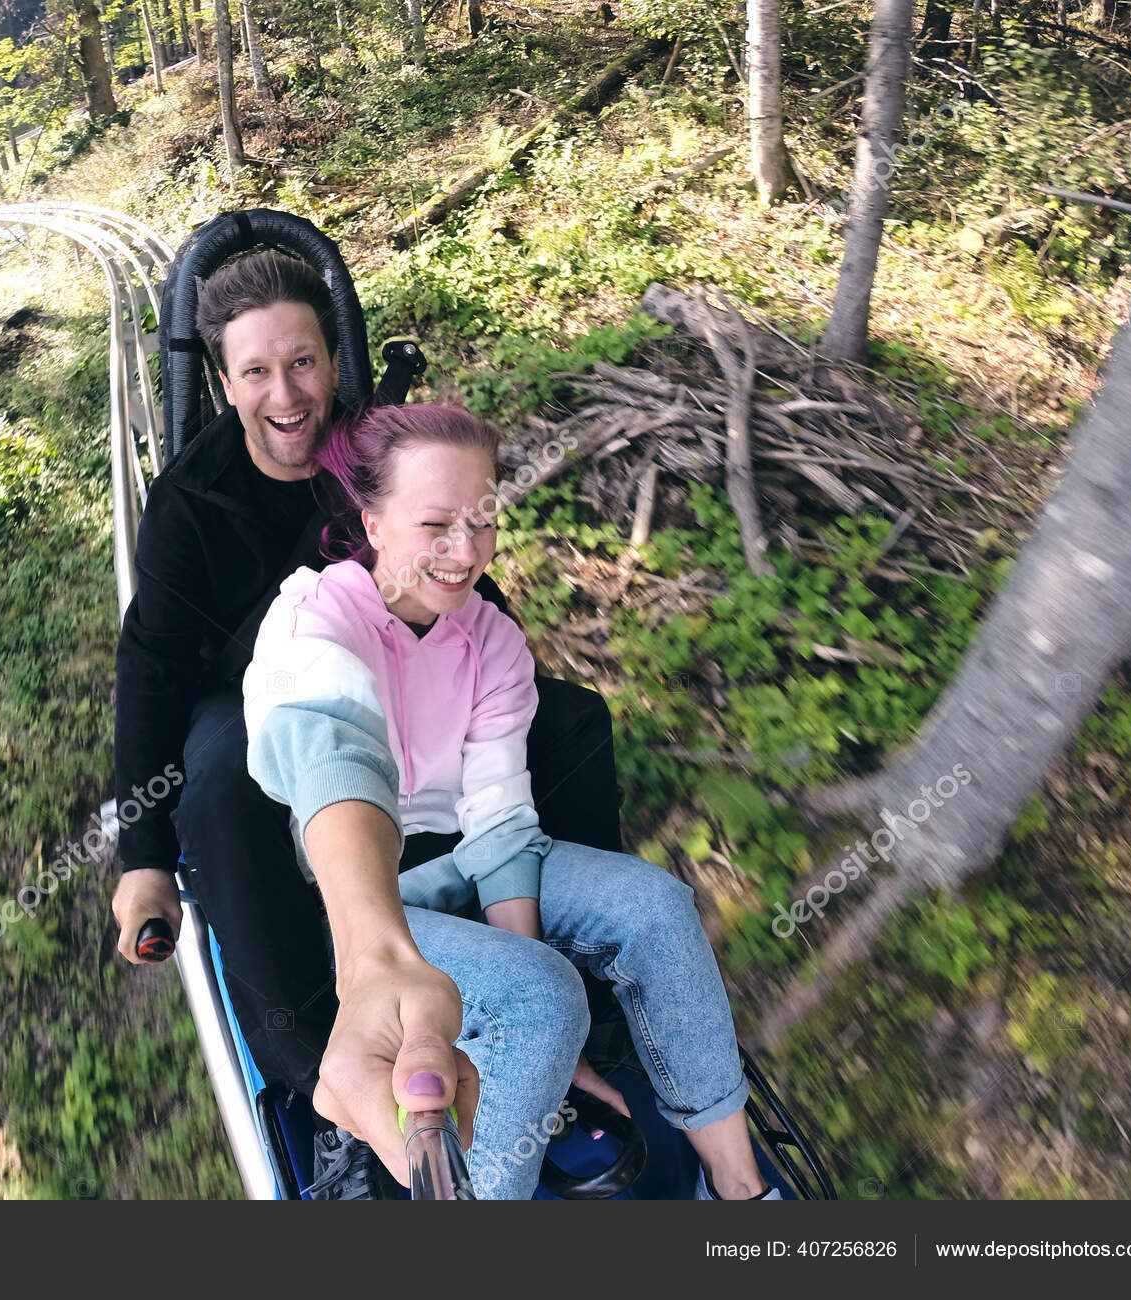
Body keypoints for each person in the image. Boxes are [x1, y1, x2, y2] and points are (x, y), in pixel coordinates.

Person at [109, 249, 623, 1195]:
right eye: (256, 371)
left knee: (571, 721)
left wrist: (505, 702)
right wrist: (142, 851)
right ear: (225, 383)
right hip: (257, 701)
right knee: (220, 773)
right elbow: (149, 670)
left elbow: (458, 573)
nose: (285, 394)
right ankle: (323, 1082)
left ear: (334, 362)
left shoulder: (373, 462)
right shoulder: (189, 505)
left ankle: (576, 1013)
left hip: (398, 661)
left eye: (302, 362)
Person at [242, 403, 781, 1200]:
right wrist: (375, 951)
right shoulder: (312, 621)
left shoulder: (491, 640)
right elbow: (330, 744)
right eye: (435, 525)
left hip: (464, 855)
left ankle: (738, 1188)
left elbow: (499, 818)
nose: (466, 553)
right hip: (367, 890)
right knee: (539, 994)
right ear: (375, 524)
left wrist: (547, 1012)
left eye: (481, 522)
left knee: (658, 908)